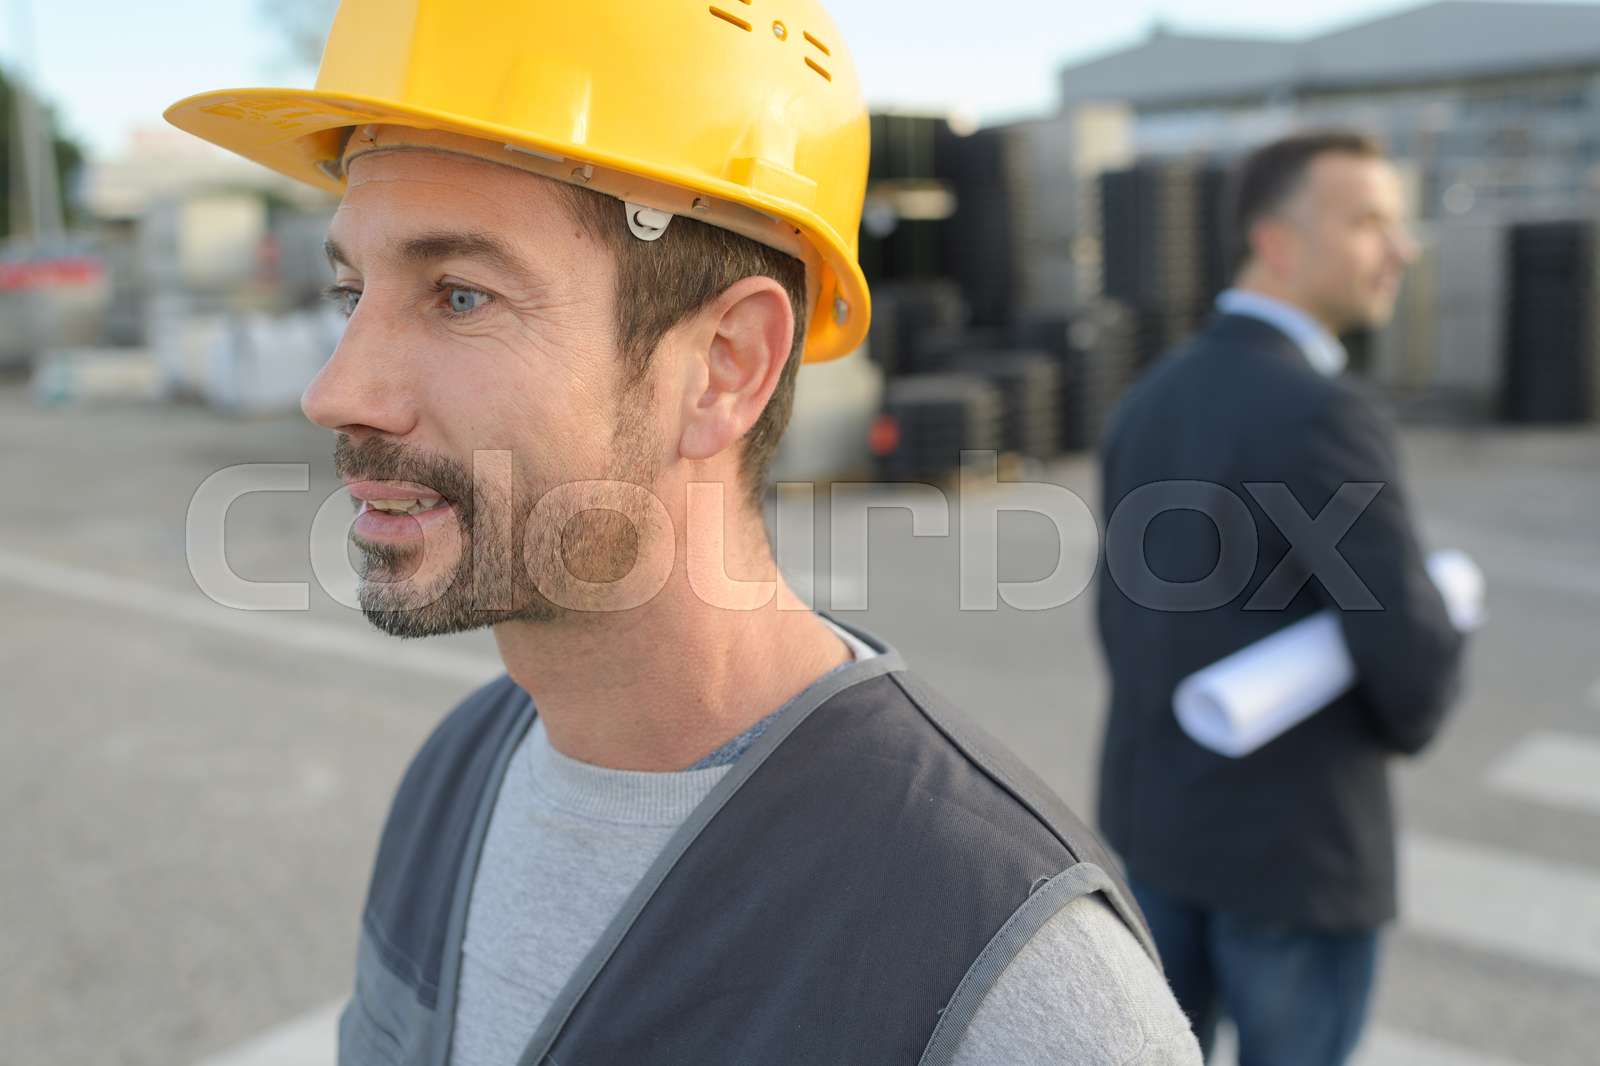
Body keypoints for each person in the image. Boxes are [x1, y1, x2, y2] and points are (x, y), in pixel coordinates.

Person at [168, 3, 1200, 1063]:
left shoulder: (1008, 980)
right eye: (351, 291)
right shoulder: (455, 778)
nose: (336, 391)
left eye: (461, 296)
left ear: (725, 367)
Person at [1095, 130, 1469, 1066]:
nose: (1401, 248)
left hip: (1157, 830)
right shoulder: (1322, 411)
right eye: (1370, 222)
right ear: (1276, 242)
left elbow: (1121, 616)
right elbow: (1410, 663)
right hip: (1292, 860)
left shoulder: (1149, 397)